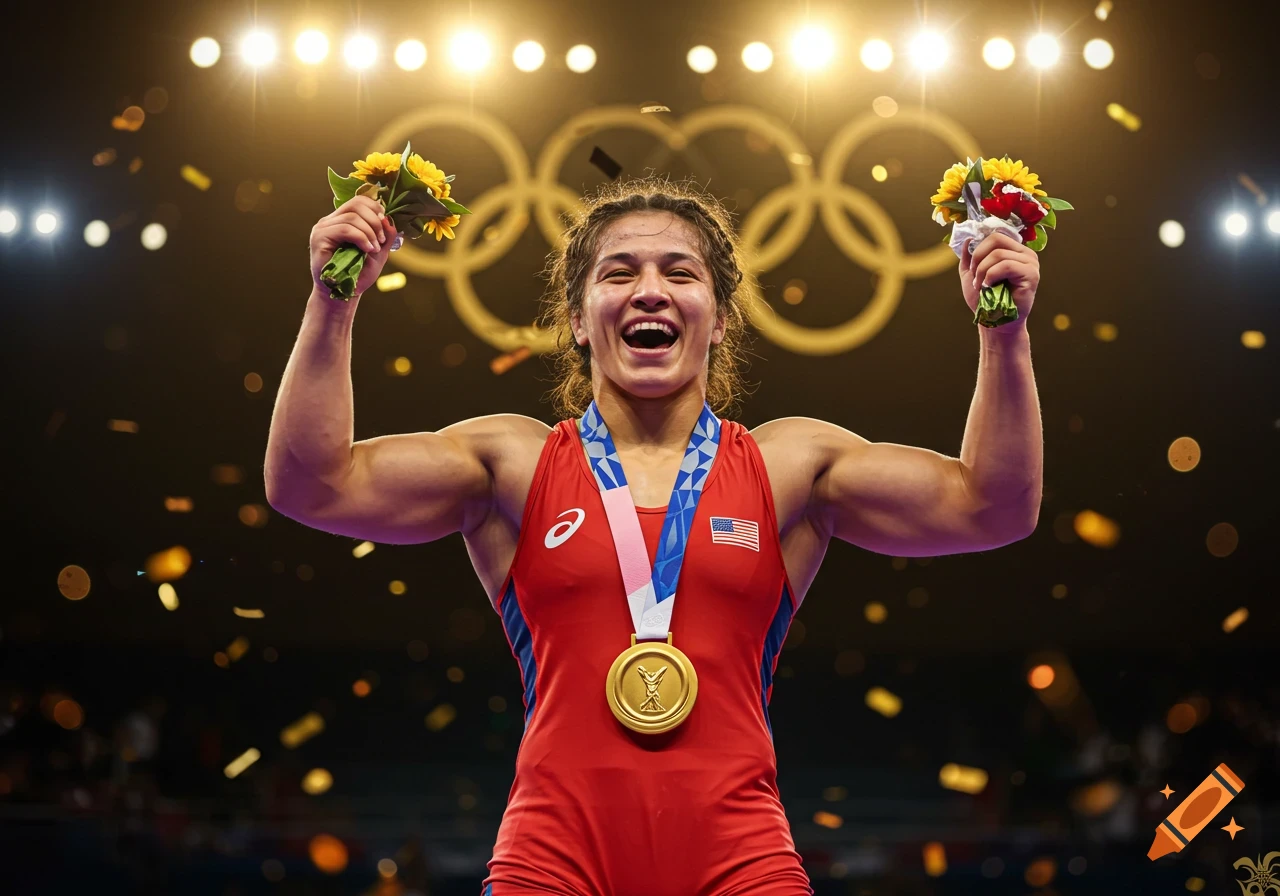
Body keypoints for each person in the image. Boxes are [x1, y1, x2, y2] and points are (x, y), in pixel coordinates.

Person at [264, 176, 1044, 896]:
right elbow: (311, 485)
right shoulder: (513, 463)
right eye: (618, 273)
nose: (649, 290)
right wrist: (333, 302)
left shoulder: (788, 465)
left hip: (741, 862)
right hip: (553, 861)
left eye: (679, 272)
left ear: (722, 317)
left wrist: (1002, 334)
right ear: (575, 319)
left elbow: (994, 506)